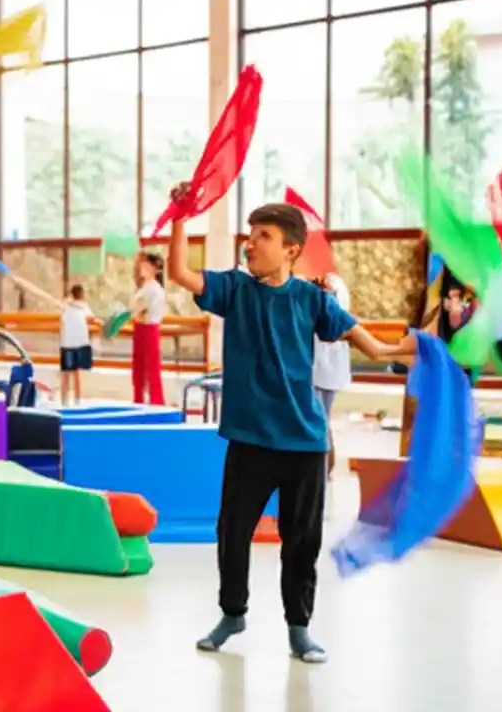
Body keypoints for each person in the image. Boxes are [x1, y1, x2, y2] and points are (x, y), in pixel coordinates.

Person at [164, 182, 410, 663]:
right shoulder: (235, 290)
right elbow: (179, 271)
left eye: (263, 235)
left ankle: (299, 628)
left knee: (302, 542)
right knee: (232, 532)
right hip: (251, 440)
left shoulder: (310, 300)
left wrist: (400, 351)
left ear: (291, 249)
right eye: (249, 234)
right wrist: (181, 215)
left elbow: (362, 337)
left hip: (303, 441)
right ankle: (232, 612)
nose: (250, 242)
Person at [311, 272, 352, 479]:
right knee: (321, 419)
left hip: (325, 368)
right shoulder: (332, 288)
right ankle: (323, 467)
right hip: (321, 367)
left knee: (321, 420)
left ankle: (323, 466)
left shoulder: (335, 287)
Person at [131, 252, 167, 405]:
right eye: (141, 264)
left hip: (150, 329)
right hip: (139, 328)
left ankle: (156, 402)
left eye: (145, 264)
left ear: (155, 268)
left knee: (152, 369)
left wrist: (137, 313)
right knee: (138, 369)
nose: (141, 267)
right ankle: (138, 400)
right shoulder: (142, 288)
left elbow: (146, 310)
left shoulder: (156, 289)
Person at [59, 284, 95, 406]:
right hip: (78, 344)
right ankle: (76, 400)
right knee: (75, 373)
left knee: (67, 374)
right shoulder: (82, 307)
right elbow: (91, 319)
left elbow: (91, 319)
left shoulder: (67, 306)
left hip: (69, 345)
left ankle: (66, 401)